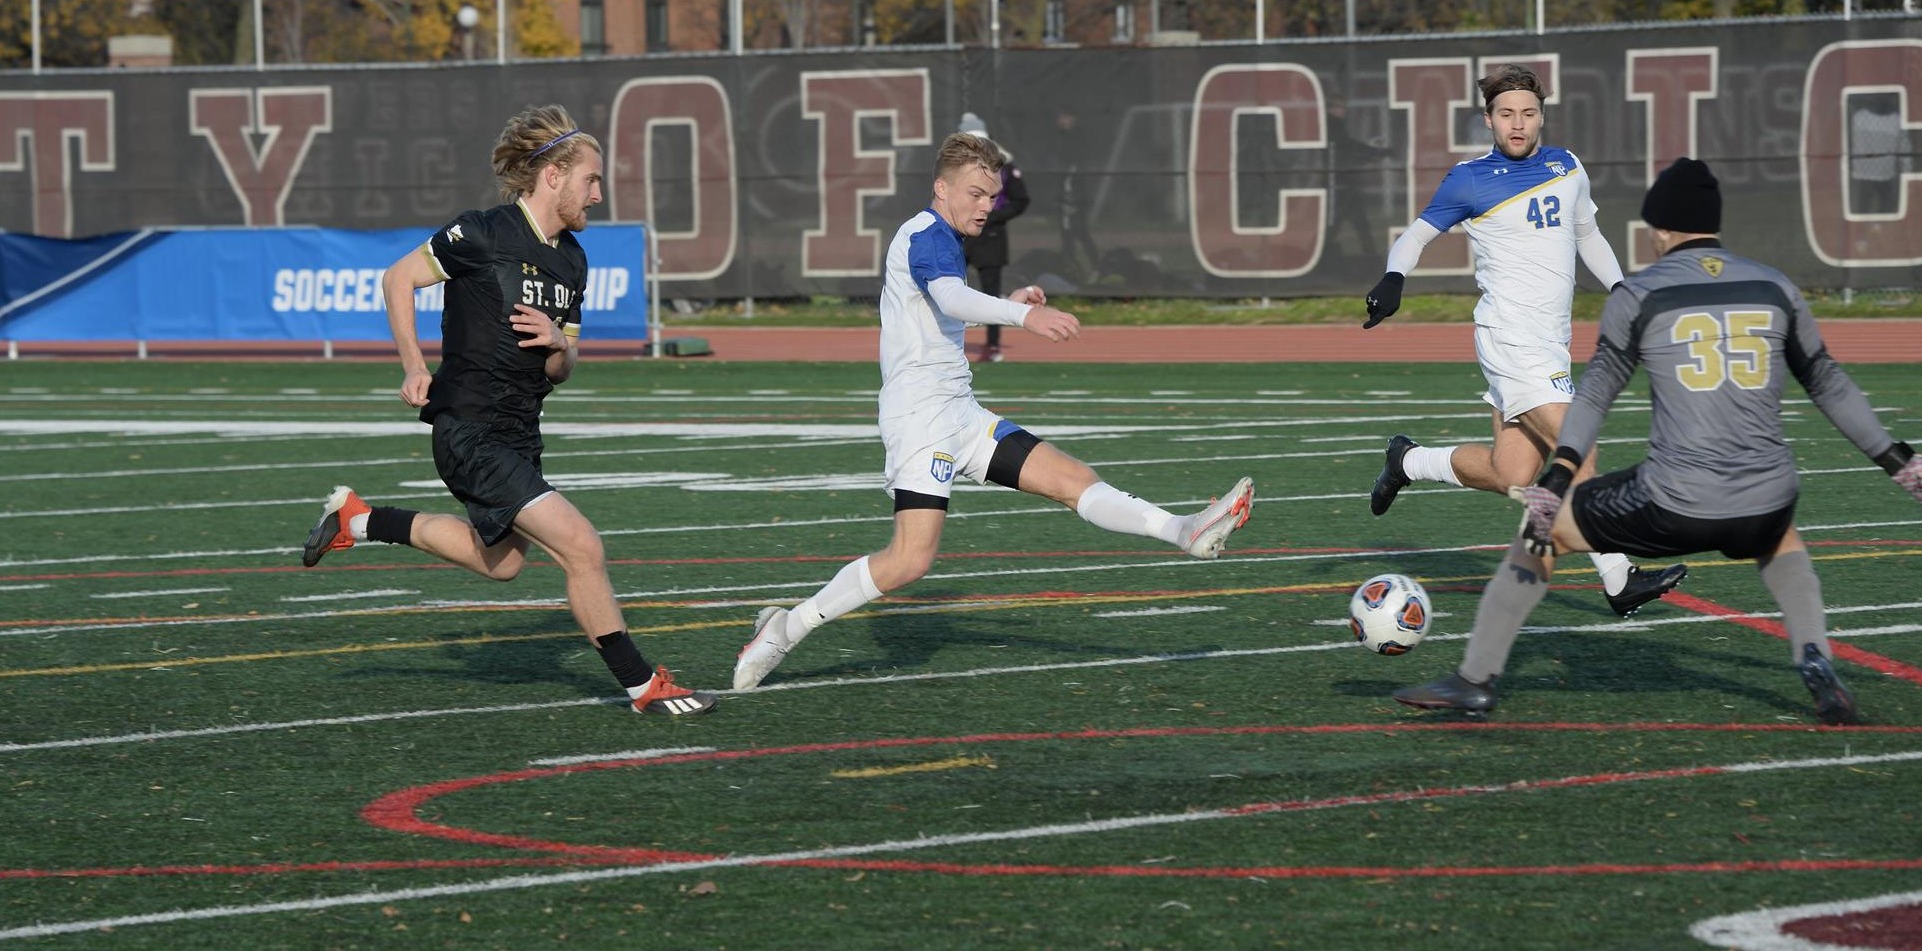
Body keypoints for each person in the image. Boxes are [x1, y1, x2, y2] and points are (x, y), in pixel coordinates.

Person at [1393, 158, 1922, 723]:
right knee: (1780, 536)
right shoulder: (1775, 287)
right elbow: (1830, 385)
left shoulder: (1641, 295)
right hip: (1765, 495)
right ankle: (1816, 661)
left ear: (1660, 228)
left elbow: (1593, 398)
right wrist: (1902, 464)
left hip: (1675, 498)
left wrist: (1559, 474)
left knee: (1540, 531)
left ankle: (1476, 679)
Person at [731, 131, 1256, 691]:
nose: (988, 206)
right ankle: (785, 629)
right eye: (977, 194)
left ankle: (1185, 531)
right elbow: (954, 298)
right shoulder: (924, 233)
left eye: (993, 197)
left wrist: (1013, 298)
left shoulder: (945, 239)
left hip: (959, 412)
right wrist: (1020, 316)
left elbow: (944, 310)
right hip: (922, 421)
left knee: (1074, 480)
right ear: (942, 187)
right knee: (910, 560)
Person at [299, 104, 714, 718]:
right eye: (590, 180)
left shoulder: (573, 260)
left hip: (519, 431)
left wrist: (556, 344)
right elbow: (396, 279)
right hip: (469, 425)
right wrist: (415, 365)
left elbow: (563, 368)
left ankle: (359, 520)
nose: (597, 195)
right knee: (581, 546)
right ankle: (641, 685)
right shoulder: (483, 232)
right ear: (553, 176)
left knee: (501, 564)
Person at [1362, 63, 1685, 616]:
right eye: (1506, 114)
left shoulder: (1568, 167)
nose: (1518, 123)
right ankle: (1618, 576)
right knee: (1577, 444)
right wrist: (1394, 278)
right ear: (1488, 119)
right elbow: (1415, 236)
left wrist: (1622, 288)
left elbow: (1588, 234)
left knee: (1510, 473)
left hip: (1550, 340)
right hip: (1510, 338)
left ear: (1542, 117)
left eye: (1529, 113)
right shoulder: (1468, 178)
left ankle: (1408, 461)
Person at [956, 112, 1029, 362]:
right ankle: (942, 342)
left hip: (991, 237)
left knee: (991, 292)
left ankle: (993, 345)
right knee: (948, 287)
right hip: (961, 235)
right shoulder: (955, 163)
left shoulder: (1004, 163)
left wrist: (992, 217)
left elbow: (1020, 200)